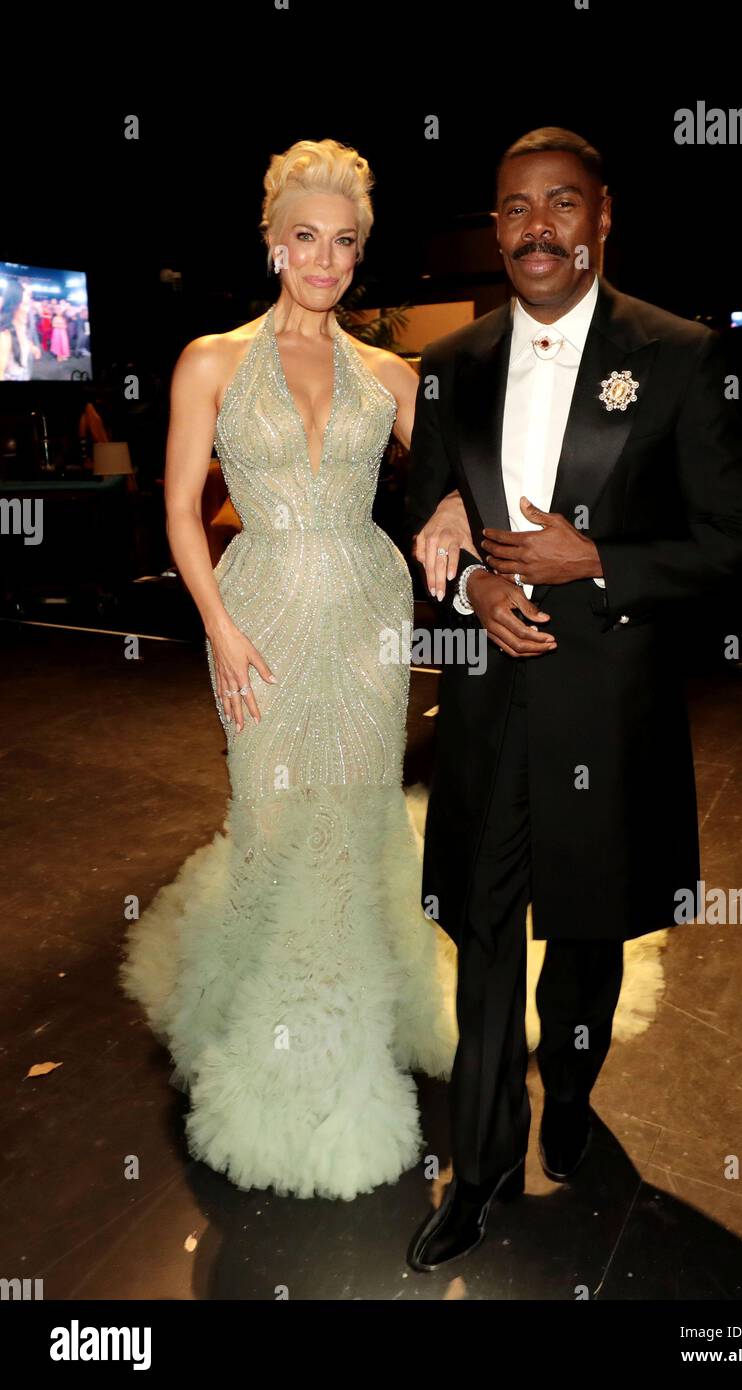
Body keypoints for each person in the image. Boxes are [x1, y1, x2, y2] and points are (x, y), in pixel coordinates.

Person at [404, 126, 742, 1270]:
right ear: (493, 225)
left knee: (586, 926)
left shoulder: (679, 352)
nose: (536, 228)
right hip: (484, 702)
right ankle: (479, 1165)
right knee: (483, 928)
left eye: (560, 204)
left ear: (601, 218)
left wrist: (593, 562)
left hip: (605, 706)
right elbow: (424, 525)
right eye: (513, 209)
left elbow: (734, 544)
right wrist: (469, 583)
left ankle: (569, 1095)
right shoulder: (448, 363)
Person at [120, 139, 470, 1201]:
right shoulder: (209, 361)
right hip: (260, 610)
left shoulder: (392, 374)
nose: (324, 259)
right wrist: (219, 628)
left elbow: (457, 478)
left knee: (353, 821)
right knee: (275, 825)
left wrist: (452, 507)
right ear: (273, 242)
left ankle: (347, 1036)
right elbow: (180, 511)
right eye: (306, 237)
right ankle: (264, 1012)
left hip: (366, 613)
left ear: (359, 254)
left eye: (345, 242)